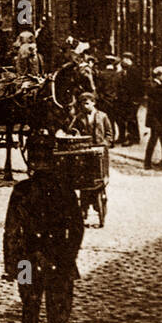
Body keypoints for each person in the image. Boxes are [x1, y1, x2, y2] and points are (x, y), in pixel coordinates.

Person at [3, 132, 85, 323]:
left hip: (27, 264)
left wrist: (12, 266)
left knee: (29, 310)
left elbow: (11, 232)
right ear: (53, 158)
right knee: (58, 318)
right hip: (59, 262)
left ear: (30, 159)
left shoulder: (21, 190)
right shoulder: (65, 190)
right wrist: (68, 258)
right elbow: (77, 228)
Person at [67, 93, 114, 227]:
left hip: (99, 152)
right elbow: (72, 130)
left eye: (87, 103)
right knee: (83, 179)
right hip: (85, 151)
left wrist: (105, 144)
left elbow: (109, 134)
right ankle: (84, 207)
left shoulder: (102, 116)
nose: (85, 106)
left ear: (93, 103)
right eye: (82, 103)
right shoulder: (79, 118)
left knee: (98, 178)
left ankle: (97, 205)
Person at [113, 53, 144, 146]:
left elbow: (138, 86)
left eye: (125, 59)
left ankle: (132, 138)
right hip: (126, 99)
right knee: (128, 117)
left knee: (131, 118)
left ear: (129, 59)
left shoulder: (134, 70)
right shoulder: (126, 70)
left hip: (133, 99)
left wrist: (136, 99)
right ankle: (131, 137)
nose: (123, 61)